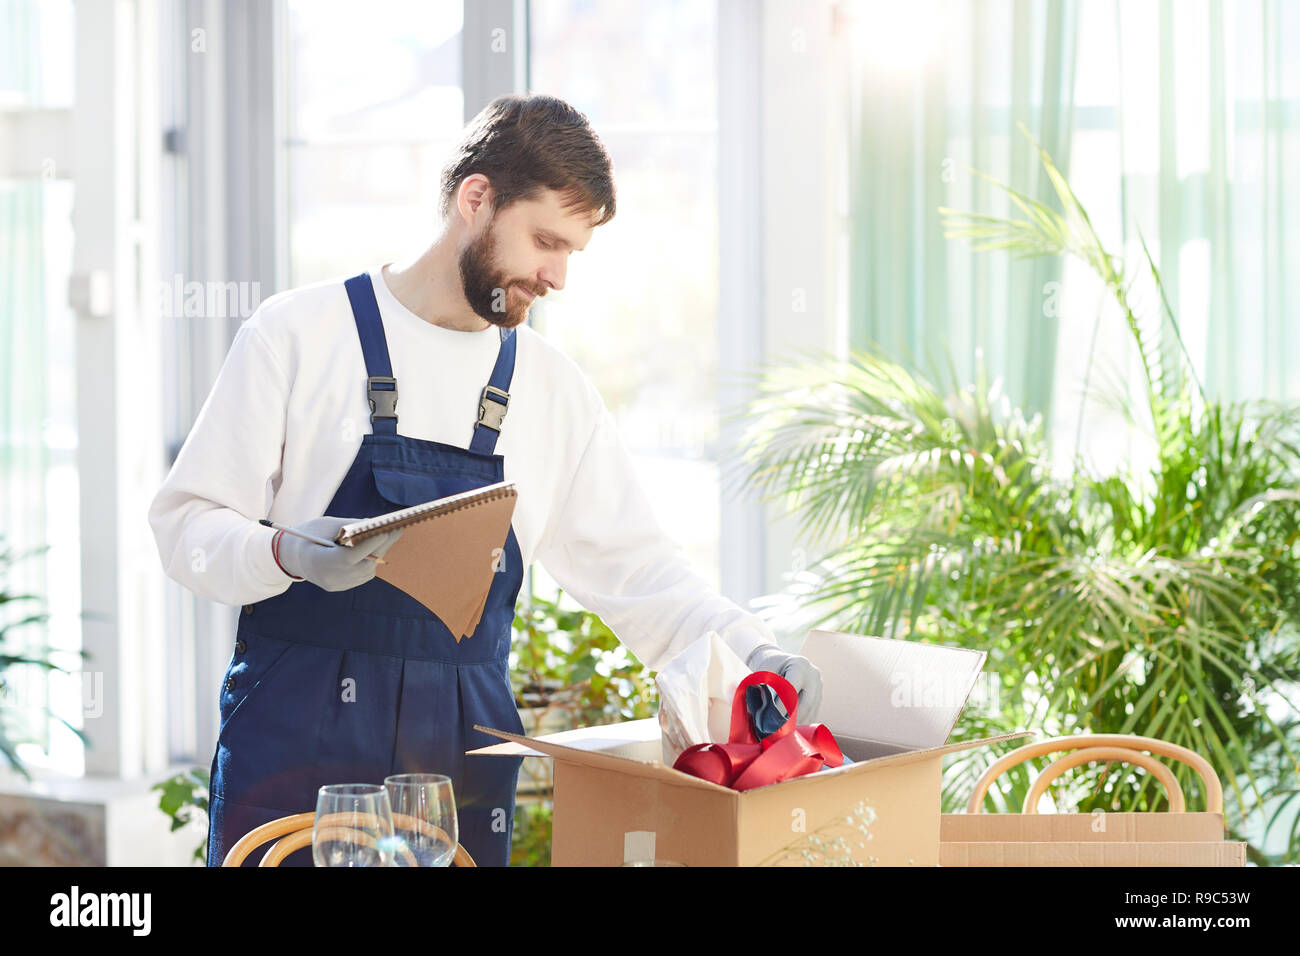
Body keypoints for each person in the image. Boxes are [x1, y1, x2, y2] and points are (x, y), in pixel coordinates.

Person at [148, 93, 822, 868]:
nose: (558, 275)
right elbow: (184, 527)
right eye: (544, 240)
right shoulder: (296, 334)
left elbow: (640, 573)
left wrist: (755, 653)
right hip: (295, 745)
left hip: (458, 768)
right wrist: (289, 555)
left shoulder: (551, 389)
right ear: (477, 198)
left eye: (573, 252)